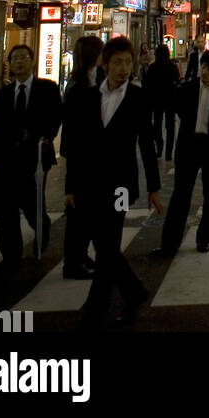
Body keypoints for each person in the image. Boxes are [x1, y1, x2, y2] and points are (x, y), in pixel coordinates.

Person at [64, 37, 163, 329]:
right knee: (104, 246)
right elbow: (76, 146)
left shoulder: (137, 98)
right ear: (104, 64)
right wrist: (70, 186)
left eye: (128, 62)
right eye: (117, 62)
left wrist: (153, 189)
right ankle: (134, 293)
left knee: (108, 245)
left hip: (120, 184)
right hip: (89, 183)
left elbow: (147, 145)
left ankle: (96, 311)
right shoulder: (88, 97)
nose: (123, 68)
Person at [152, 50, 209, 258]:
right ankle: (169, 243)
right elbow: (178, 109)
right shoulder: (188, 88)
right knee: (180, 195)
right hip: (189, 145)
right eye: (203, 67)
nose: (204, 72)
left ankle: (204, 238)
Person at [0, 43, 63, 270]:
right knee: (7, 209)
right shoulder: (3, 94)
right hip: (8, 159)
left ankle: (40, 239)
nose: (19, 62)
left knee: (33, 206)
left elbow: (55, 117)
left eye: (23, 57)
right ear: (10, 64)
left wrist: (46, 138)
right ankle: (10, 256)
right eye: (15, 58)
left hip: (36, 157)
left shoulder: (48, 88)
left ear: (32, 61)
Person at [60, 35, 104, 279]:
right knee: (78, 209)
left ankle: (80, 255)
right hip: (81, 156)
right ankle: (72, 263)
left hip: (87, 155)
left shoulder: (88, 80)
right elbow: (76, 128)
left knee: (85, 210)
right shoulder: (79, 87)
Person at [145, 44, 181, 161]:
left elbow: (147, 85)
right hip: (170, 100)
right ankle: (169, 153)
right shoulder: (172, 67)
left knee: (157, 124)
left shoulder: (152, 67)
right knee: (170, 127)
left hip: (156, 100)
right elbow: (177, 81)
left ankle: (159, 149)